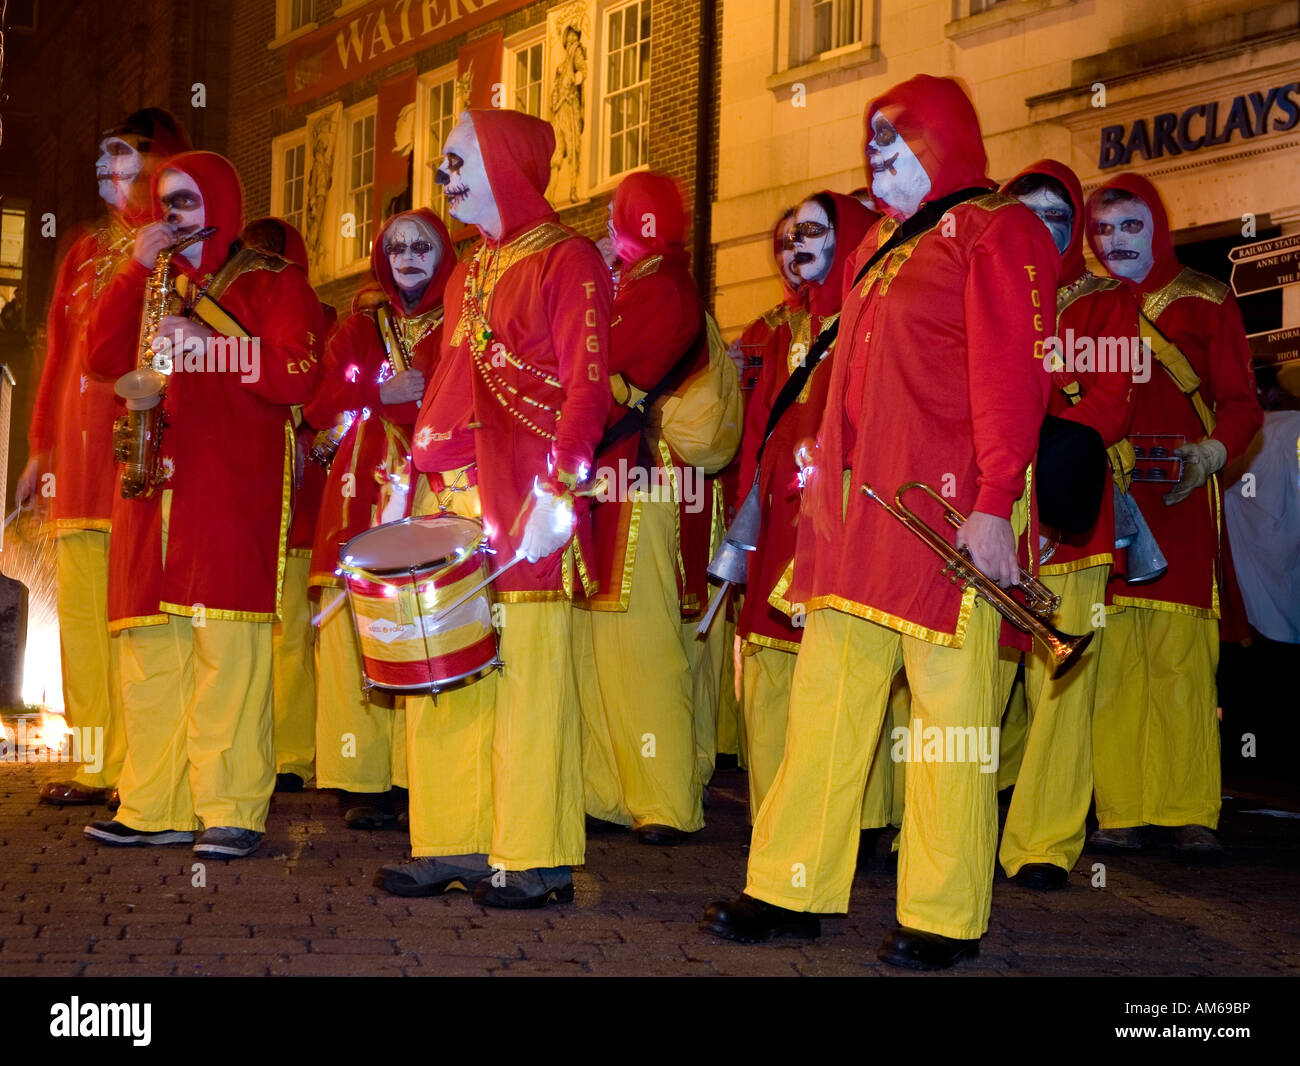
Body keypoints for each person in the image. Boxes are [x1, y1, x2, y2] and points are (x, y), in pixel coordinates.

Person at [701, 74, 1057, 970]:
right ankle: (788, 886)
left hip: (950, 518)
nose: (879, 158)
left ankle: (943, 913)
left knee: (951, 722)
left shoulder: (997, 229)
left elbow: (1016, 377)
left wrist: (992, 503)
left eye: (896, 142)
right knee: (824, 710)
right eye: (873, 144)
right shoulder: (881, 248)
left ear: (942, 141)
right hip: (859, 525)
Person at [375, 109, 611, 908]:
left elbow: (588, 383)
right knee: (446, 670)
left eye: (456, 160)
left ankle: (535, 855)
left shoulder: (569, 258)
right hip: (451, 490)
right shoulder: (470, 268)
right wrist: (410, 472)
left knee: (528, 674)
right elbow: (449, 377)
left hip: (525, 492)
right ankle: (452, 840)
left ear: (506, 162)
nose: (443, 179)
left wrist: (563, 484)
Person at [81, 151, 324, 859]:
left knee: (229, 653)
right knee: (151, 652)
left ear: (220, 203)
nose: (173, 218)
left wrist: (210, 346)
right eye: (163, 204)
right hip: (153, 484)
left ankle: (231, 809)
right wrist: (132, 271)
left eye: (186, 202)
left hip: (228, 488)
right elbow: (100, 357)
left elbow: (296, 376)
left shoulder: (276, 283)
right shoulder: (154, 280)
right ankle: (154, 803)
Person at [1085, 174, 1263, 862]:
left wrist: (1213, 450)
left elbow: (1241, 401)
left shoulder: (1208, 299)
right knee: (1114, 660)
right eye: (1102, 230)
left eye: (1130, 226)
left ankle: (1188, 810)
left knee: (1182, 662)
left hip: (1182, 500)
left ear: (1157, 225)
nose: (1115, 242)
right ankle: (1122, 810)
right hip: (1104, 499)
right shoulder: (1082, 306)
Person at [19, 109, 190, 809]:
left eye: (131, 159)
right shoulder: (84, 252)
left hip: (141, 456)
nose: (114, 172)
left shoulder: (180, 247)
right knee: (84, 623)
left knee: (138, 618)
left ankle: (145, 768)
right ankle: (94, 764)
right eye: (111, 158)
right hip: (77, 463)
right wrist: (40, 449)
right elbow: (58, 354)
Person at [997, 160, 1138, 889]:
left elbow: (1112, 404)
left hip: (1067, 510)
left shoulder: (1106, 301)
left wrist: (1037, 450)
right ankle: (936, 820)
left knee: (1061, 685)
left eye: (1059, 215)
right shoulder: (980, 286)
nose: (1045, 228)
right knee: (971, 682)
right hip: (988, 513)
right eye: (1029, 213)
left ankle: (1043, 844)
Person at [305, 209, 454, 828]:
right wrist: (379, 393)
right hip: (361, 488)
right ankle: (362, 779)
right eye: (396, 247)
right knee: (353, 628)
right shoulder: (361, 326)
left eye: (422, 245)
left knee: (423, 624)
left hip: (435, 483)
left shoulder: (466, 318)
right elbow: (318, 402)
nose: (410, 256)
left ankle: (421, 776)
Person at [733, 190, 875, 821]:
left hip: (838, 526)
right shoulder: (781, 329)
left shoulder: (873, 320)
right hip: (777, 529)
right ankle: (772, 820)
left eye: (815, 232)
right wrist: (744, 522)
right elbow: (758, 433)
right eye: (793, 236)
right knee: (767, 675)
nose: (799, 245)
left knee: (839, 680)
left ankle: (850, 822)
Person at [576, 172, 705, 846]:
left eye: (612, 212)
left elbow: (595, 361)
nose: (605, 222)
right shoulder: (650, 282)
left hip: (638, 484)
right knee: (607, 649)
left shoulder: (657, 286)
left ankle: (662, 799)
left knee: (642, 650)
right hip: (617, 481)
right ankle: (611, 793)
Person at [241, 217, 332, 794]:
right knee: (260, 631)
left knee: (291, 633)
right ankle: (265, 747)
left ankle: (294, 754)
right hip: (251, 504)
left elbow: (319, 400)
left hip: (296, 506)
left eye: (263, 256)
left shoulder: (313, 318)